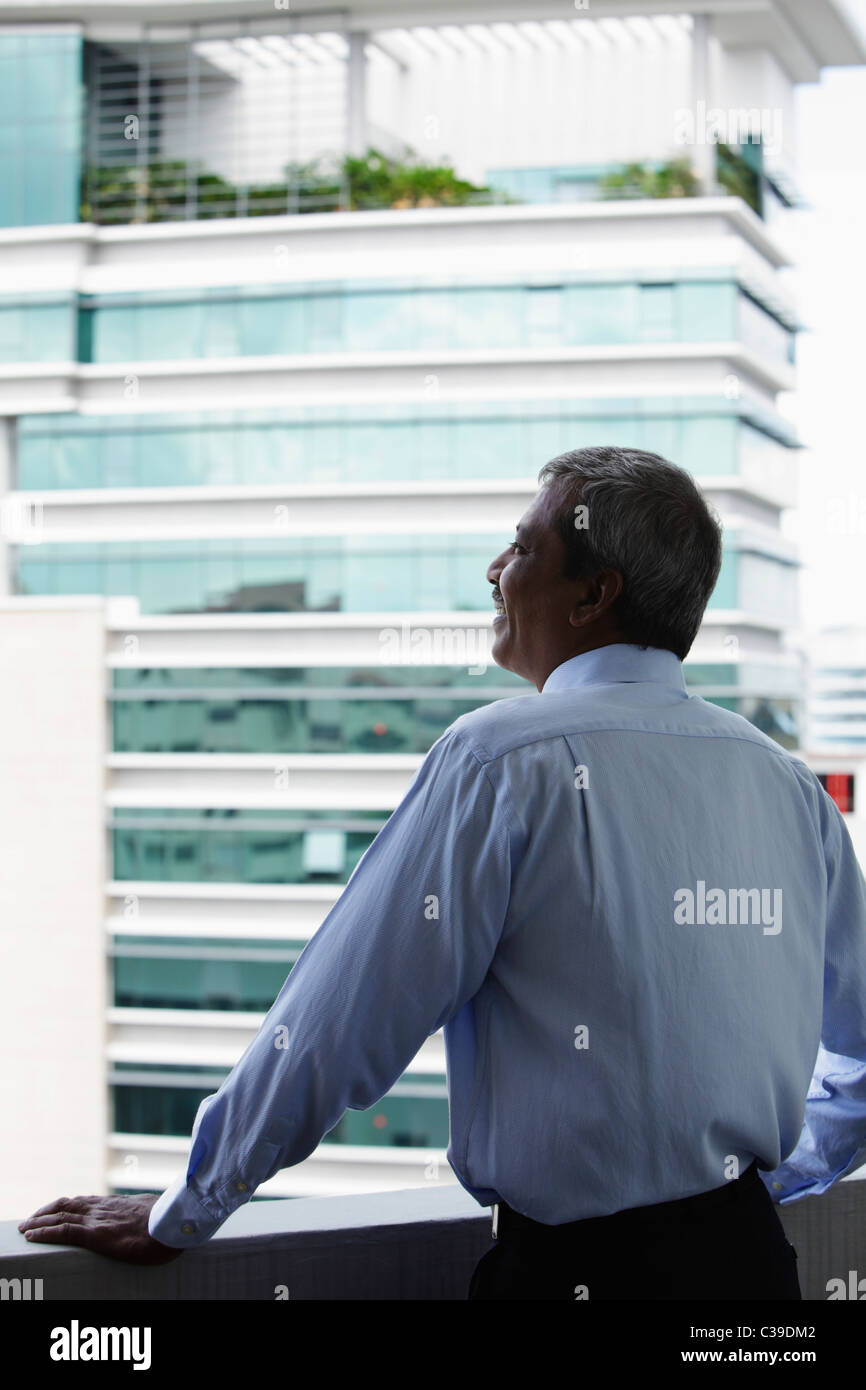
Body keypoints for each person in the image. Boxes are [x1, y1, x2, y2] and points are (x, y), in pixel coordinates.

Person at [19, 446, 866, 1300]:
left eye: (523, 548)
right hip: (756, 1281)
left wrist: (187, 1207)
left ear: (594, 593)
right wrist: (759, 1185)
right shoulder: (788, 785)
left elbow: (337, 1021)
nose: (495, 570)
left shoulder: (500, 760)